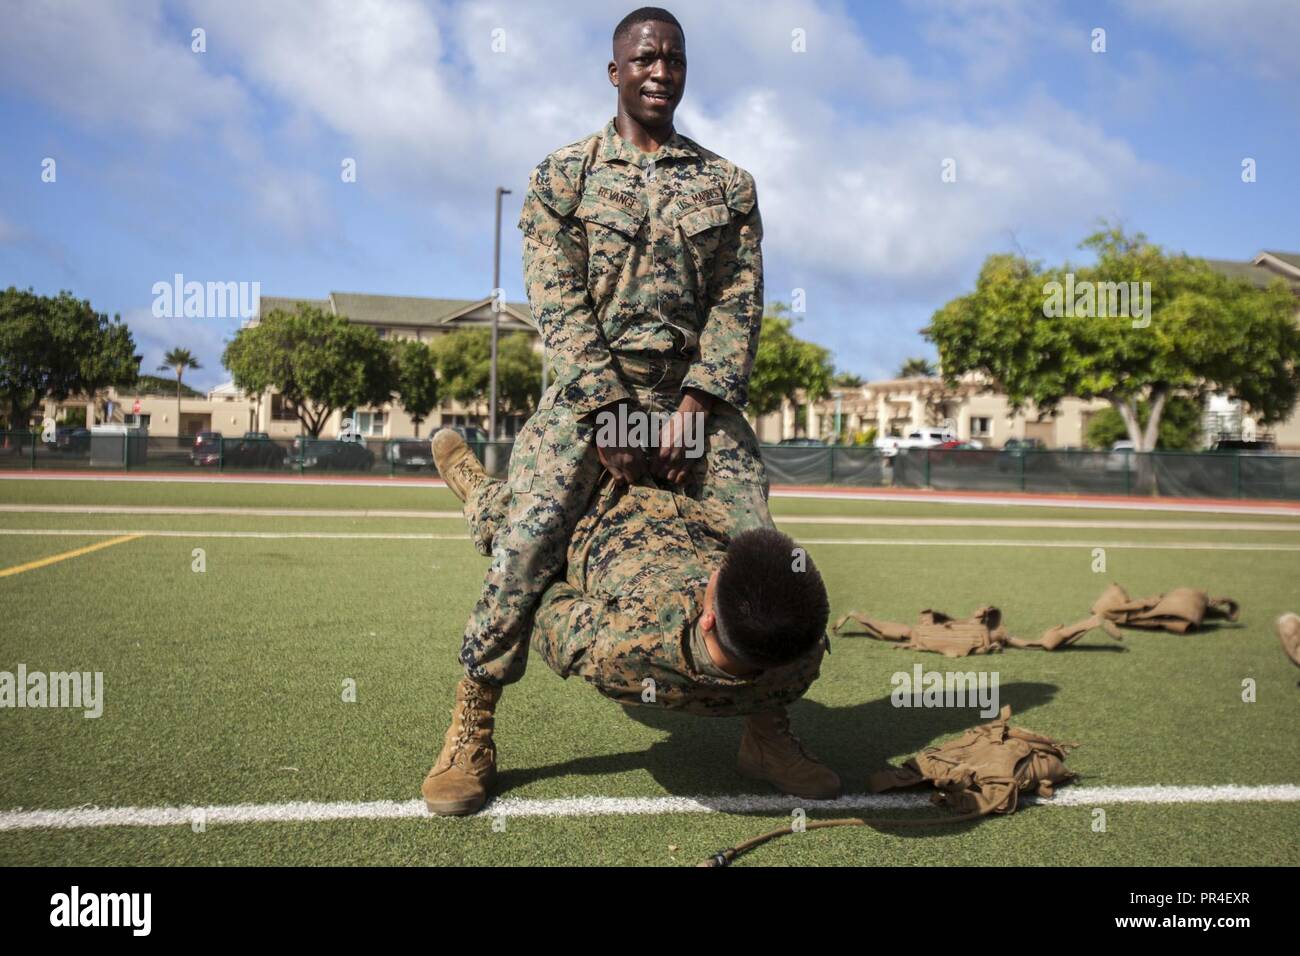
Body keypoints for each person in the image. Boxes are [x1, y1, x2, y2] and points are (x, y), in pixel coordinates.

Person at [451, 9, 770, 726]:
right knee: (527, 542)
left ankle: (768, 725)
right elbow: (558, 304)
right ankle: (475, 713)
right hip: (589, 394)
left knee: (761, 555)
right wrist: (607, 410)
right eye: (647, 59)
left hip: (693, 398)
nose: (662, 72)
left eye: (676, 60)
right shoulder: (564, 176)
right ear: (616, 71)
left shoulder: (728, 185)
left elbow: (737, 305)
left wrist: (694, 410)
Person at [422, 431, 838, 815]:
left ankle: (481, 496)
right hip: (685, 503)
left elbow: (543, 598)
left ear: (708, 617)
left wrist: (555, 549)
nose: (720, 568)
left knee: (522, 549)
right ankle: (769, 733)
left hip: (601, 516)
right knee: (771, 594)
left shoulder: (618, 645)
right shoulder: (804, 654)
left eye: (721, 574)